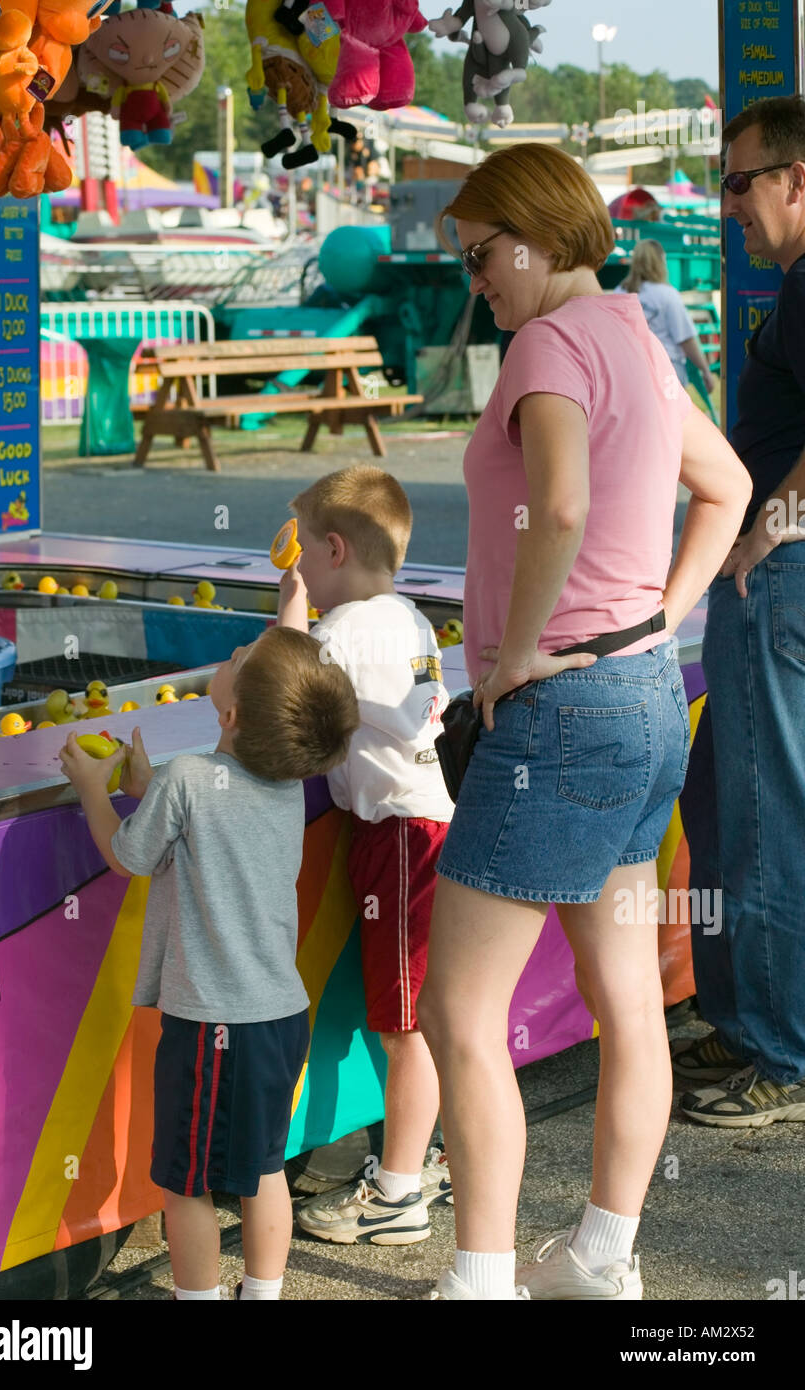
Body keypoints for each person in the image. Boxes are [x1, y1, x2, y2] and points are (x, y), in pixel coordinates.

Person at [414, 142, 752, 1301]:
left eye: (483, 254)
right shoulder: (637, 340)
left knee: (456, 1006)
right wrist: (658, 612)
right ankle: (602, 1258)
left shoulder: (551, 342)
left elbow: (556, 499)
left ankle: (482, 1279)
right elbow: (733, 488)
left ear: (541, 232)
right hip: (649, 696)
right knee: (626, 999)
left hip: (559, 714)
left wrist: (513, 657)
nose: (477, 281)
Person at [59, 628, 359, 1301]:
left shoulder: (192, 779)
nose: (227, 658)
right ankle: (262, 1292)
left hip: (213, 1028)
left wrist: (92, 789)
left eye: (236, 660)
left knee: (184, 1181)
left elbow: (133, 856)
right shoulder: (281, 787)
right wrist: (151, 786)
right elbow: (216, 823)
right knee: (263, 1168)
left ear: (228, 715)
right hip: (281, 1018)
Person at [276, 465, 456, 1245]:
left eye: (302, 553)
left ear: (336, 549)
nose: (298, 568)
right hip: (429, 828)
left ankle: (397, 1192)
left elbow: (268, 694)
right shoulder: (410, 618)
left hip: (401, 839)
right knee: (420, 1016)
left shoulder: (338, 633)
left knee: (404, 1025)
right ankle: (428, 1159)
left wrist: (287, 612)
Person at [676, 95, 805, 1126]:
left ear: (795, 178)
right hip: (761, 583)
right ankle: (742, 1006)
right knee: (722, 797)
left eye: (737, 179)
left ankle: (783, 1047)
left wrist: (768, 526)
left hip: (776, 582)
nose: (728, 204)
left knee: (764, 809)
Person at [617, 239, 715, 395]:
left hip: (630, 369)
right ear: (660, 262)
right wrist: (705, 370)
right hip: (665, 369)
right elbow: (686, 338)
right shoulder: (667, 295)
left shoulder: (620, 292)